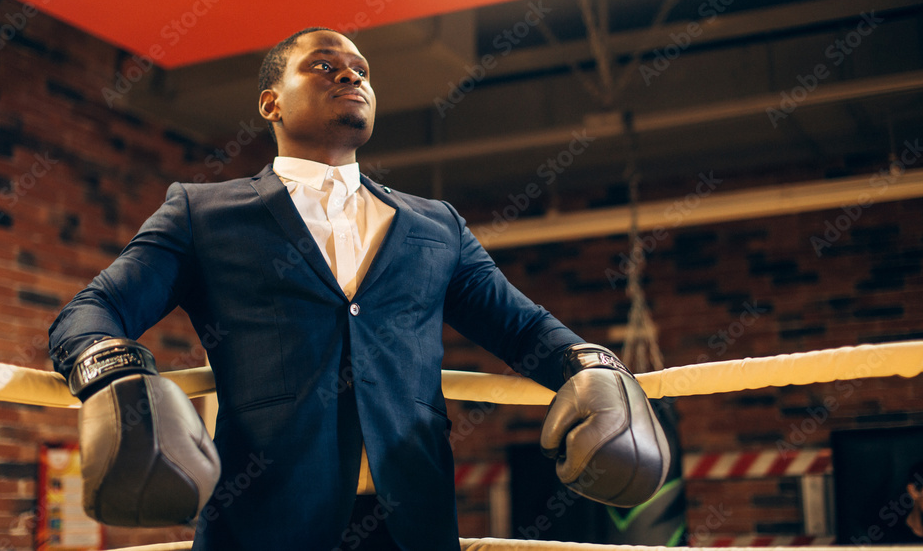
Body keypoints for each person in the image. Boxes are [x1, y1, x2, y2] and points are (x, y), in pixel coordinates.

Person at [48, 27, 671, 550]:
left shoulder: (437, 223)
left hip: (413, 522)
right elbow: (92, 311)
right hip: (266, 520)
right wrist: (117, 375)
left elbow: (522, 327)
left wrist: (597, 370)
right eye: (324, 67)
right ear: (271, 104)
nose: (350, 77)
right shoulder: (203, 213)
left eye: (360, 71)